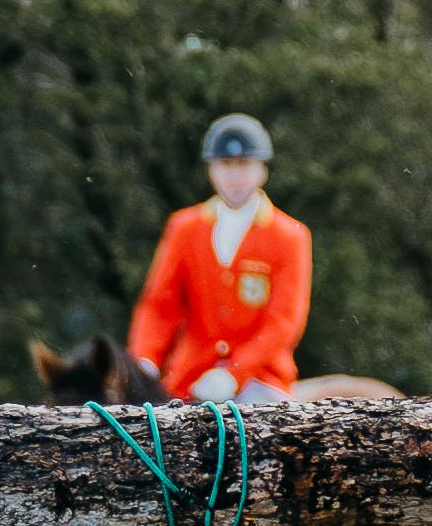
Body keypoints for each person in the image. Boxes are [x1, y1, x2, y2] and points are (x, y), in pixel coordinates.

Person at [124, 114, 320, 402]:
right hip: (191, 377)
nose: (234, 176)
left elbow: (283, 322)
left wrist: (234, 373)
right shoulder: (184, 227)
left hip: (259, 380)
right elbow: (160, 303)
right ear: (211, 171)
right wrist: (144, 360)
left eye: (244, 165)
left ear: (262, 171)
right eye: (225, 165)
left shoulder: (290, 235)